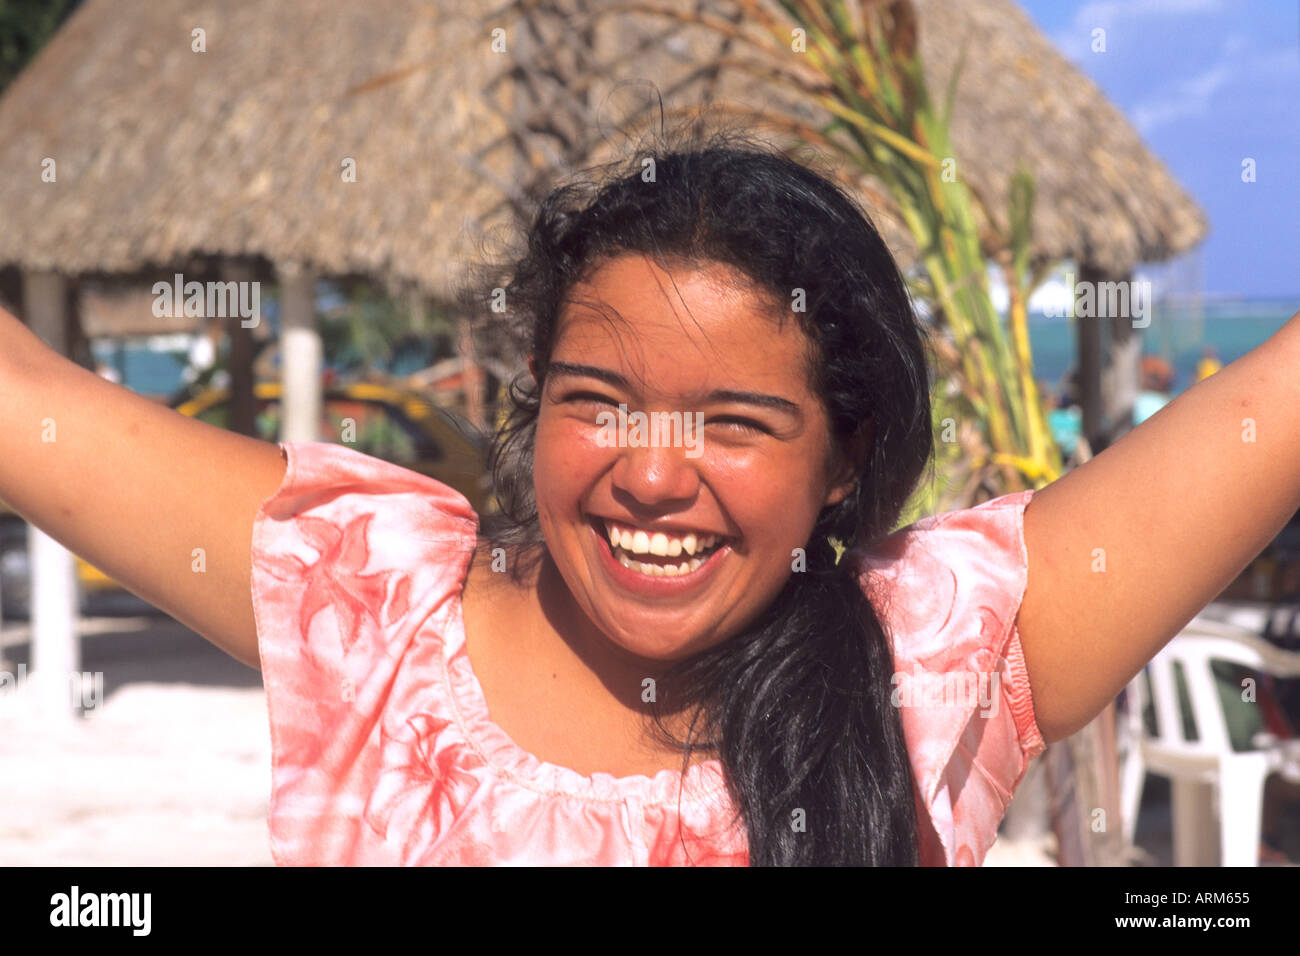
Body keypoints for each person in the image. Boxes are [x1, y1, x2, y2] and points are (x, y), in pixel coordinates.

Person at [2, 129, 1299, 866]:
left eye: (737, 421)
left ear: (841, 459)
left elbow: (1265, 414)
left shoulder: (933, 650)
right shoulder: (371, 602)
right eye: (599, 400)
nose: (653, 470)